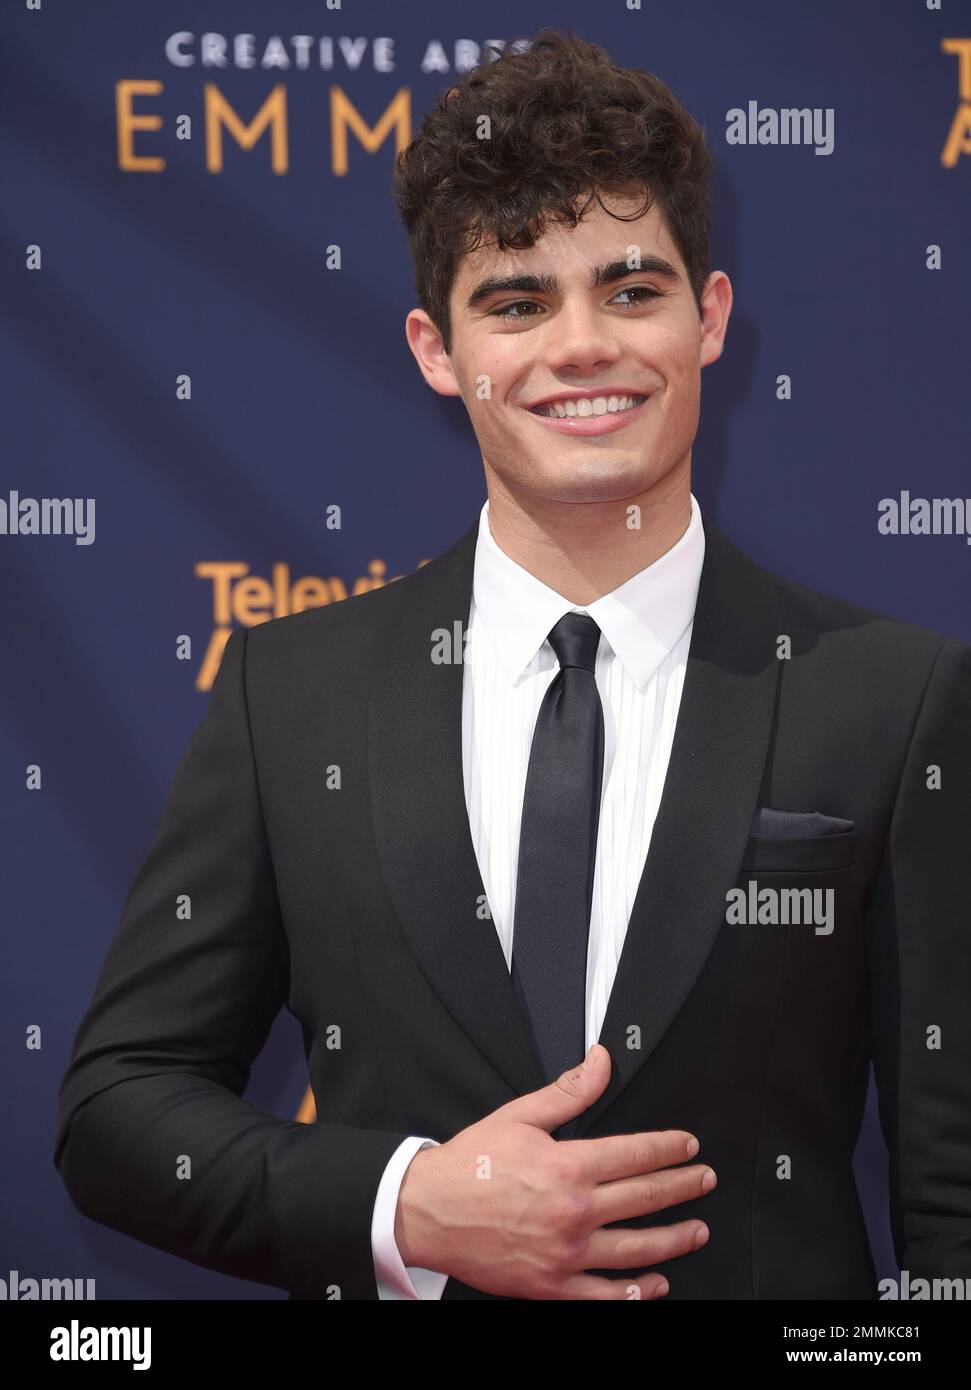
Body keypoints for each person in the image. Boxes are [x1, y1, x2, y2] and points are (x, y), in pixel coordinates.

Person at [54, 28, 971, 1301]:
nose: (581, 344)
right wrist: (404, 1203)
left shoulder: (893, 696)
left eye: (631, 288)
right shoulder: (291, 696)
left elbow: (953, 1179)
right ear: (438, 351)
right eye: (517, 300)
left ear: (706, 318)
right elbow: (116, 1109)